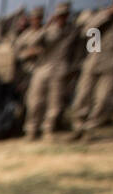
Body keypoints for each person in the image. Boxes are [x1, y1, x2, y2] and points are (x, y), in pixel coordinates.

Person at [69, 0, 113, 139]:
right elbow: (87, 32)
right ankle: (78, 127)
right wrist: (107, 15)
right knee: (83, 96)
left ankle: (90, 128)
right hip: (93, 60)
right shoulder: (99, 11)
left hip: (112, 62)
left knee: (104, 99)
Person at [23, 2, 81, 139]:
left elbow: (78, 50)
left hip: (61, 69)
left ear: (68, 15)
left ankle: (48, 129)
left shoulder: (73, 30)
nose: (62, 18)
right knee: (35, 101)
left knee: (54, 103)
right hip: (43, 68)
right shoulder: (47, 29)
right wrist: (46, 27)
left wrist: (75, 67)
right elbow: (33, 42)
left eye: (64, 15)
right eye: (59, 15)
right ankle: (31, 129)